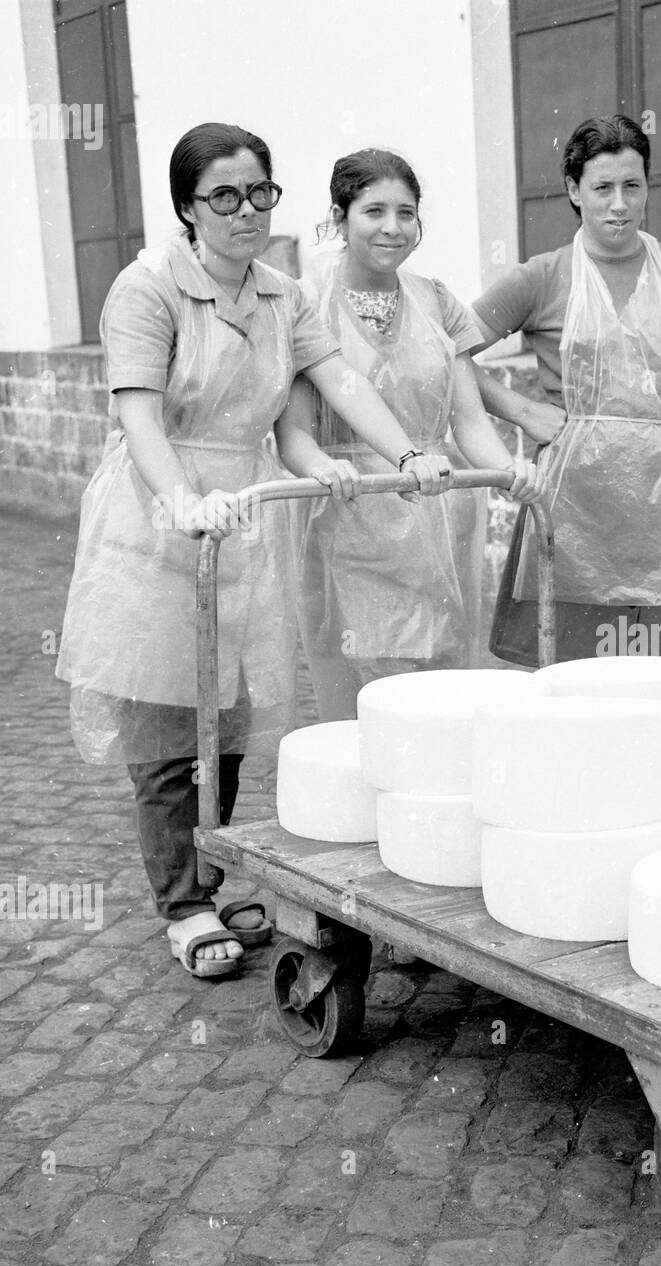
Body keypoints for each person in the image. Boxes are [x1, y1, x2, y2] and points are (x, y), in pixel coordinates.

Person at [56, 123, 453, 979]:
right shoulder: (146, 288)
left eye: (259, 193)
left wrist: (401, 454)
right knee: (166, 721)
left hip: (245, 508)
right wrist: (182, 503)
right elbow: (139, 415)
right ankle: (183, 904)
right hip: (159, 509)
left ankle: (209, 868)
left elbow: (329, 389)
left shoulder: (283, 294)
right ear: (188, 209)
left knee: (225, 716)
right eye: (223, 197)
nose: (244, 211)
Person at [470, 115, 661, 666]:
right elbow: (449, 351)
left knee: (659, 672)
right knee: (569, 673)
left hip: (659, 508)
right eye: (602, 188)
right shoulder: (542, 277)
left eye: (633, 186)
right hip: (570, 507)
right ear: (574, 191)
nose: (619, 204)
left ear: (648, 187)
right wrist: (523, 411)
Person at [274, 149, 541, 720]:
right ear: (339, 217)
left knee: (439, 667)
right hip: (349, 514)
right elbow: (294, 432)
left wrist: (508, 470)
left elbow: (467, 418)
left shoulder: (436, 300)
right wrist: (326, 471)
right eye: (374, 210)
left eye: (406, 212)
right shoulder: (302, 303)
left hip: (438, 513)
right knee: (371, 681)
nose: (392, 227)